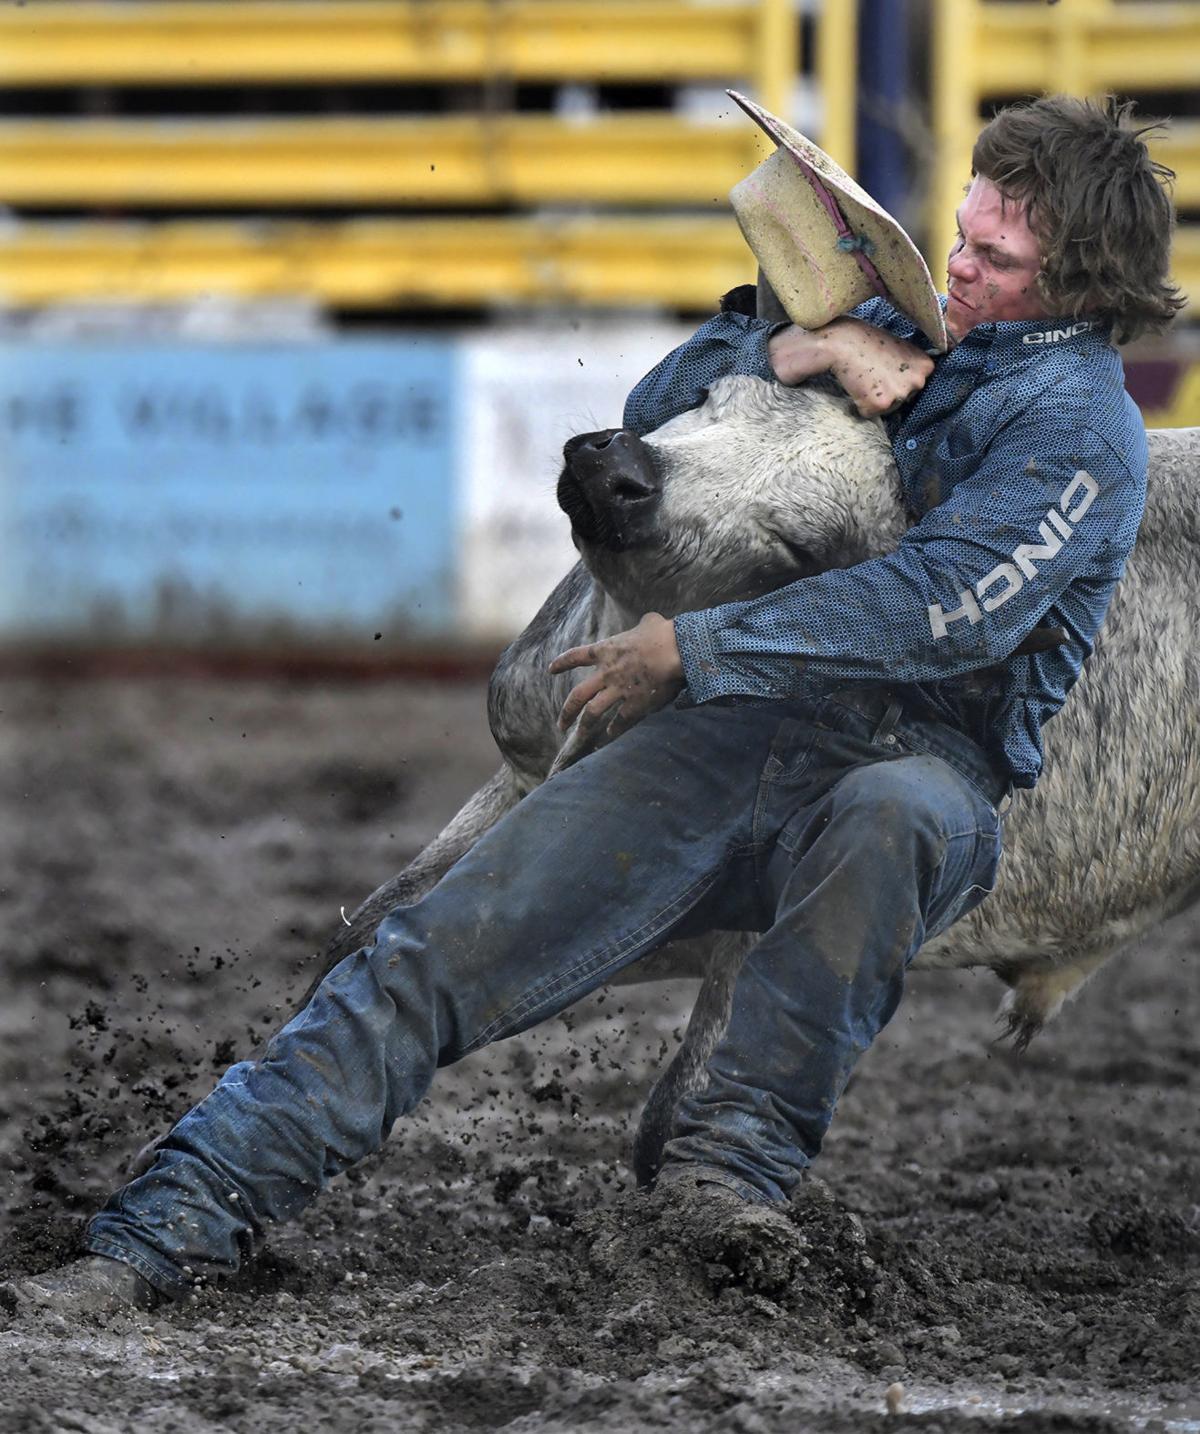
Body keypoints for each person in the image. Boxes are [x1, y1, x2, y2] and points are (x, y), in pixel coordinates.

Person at [4, 93, 1181, 1317]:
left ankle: (725, 1185)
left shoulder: (1084, 428)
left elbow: (951, 607)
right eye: (965, 231)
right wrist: (804, 349)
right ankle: (151, 1236)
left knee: (896, 814)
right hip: (747, 729)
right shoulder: (897, 319)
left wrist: (700, 648)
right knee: (434, 945)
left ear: (1081, 287)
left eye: (995, 257)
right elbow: (669, 393)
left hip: (921, 758)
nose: (960, 262)